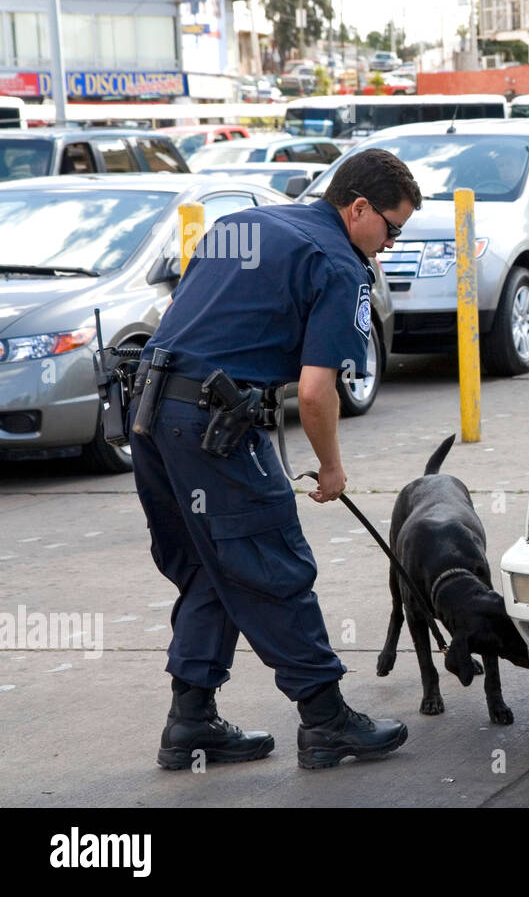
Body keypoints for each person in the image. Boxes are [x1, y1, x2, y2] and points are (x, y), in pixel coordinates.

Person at [130, 148, 421, 770]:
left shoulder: (244, 222)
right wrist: (333, 468)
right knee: (273, 566)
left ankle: (191, 723)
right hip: (215, 426)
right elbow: (317, 392)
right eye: (391, 229)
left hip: (149, 415)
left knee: (213, 567)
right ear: (359, 207)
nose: (391, 245)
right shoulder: (339, 265)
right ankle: (326, 721)